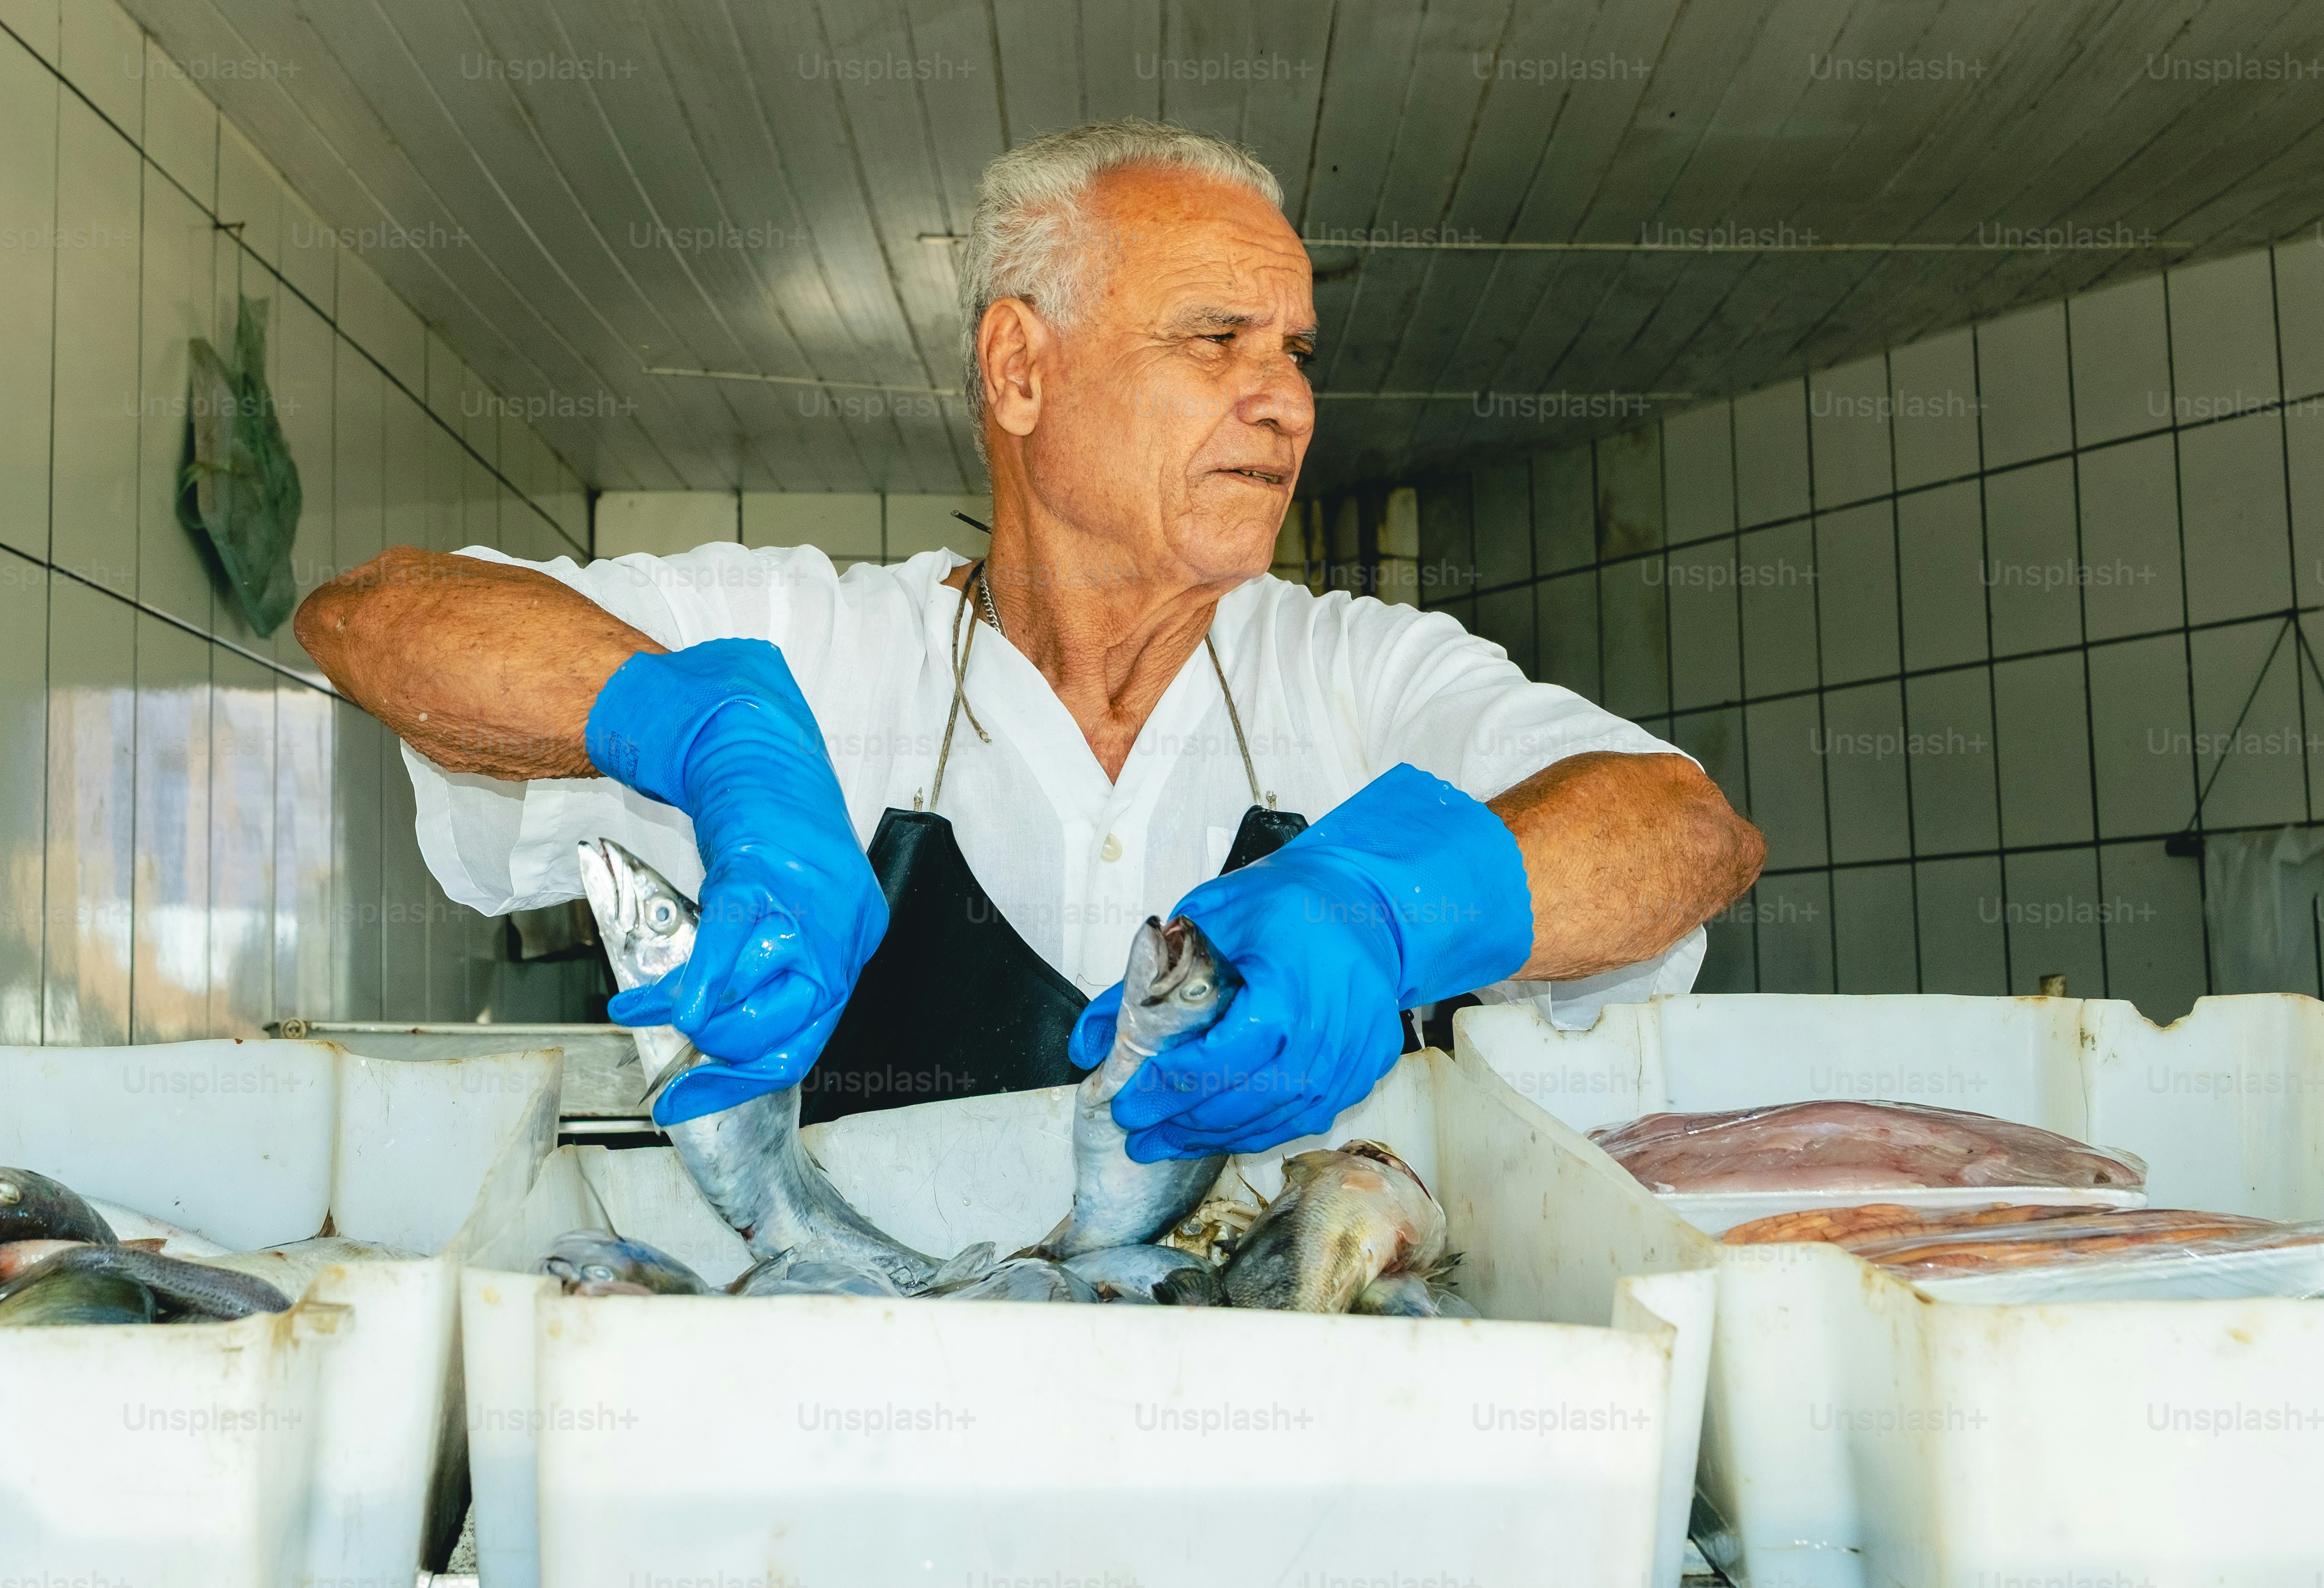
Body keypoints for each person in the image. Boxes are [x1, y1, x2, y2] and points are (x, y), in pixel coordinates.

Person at [296, 121, 1763, 1157]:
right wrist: (698, 727)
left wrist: (1397, 914)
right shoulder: (826, 645)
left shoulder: (1358, 675)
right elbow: (376, 620)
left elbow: (1686, 832)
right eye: (1216, 340)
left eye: (1298, 353)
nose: (1289, 403)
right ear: (1019, 371)